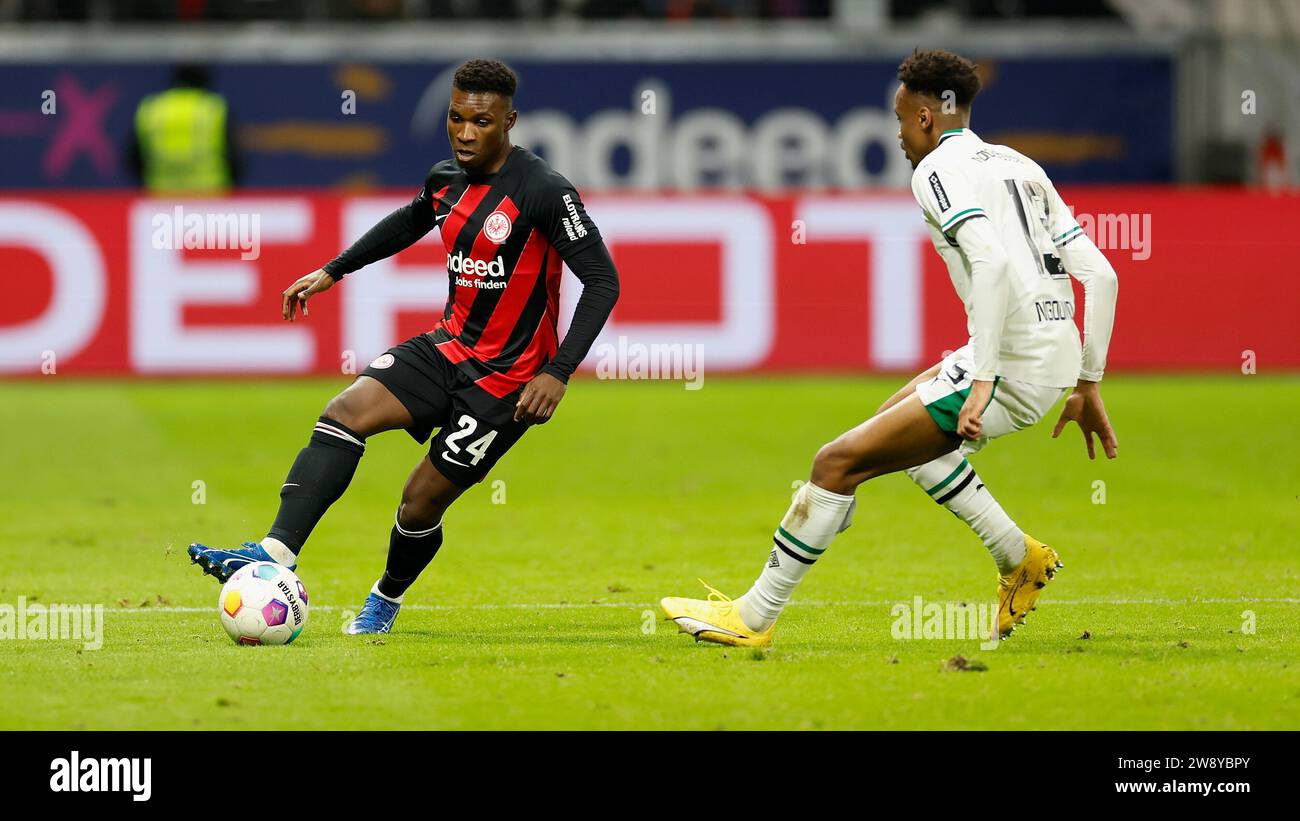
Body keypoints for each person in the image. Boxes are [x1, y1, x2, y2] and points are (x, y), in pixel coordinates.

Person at [660, 48, 1119, 646]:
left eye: (901, 121)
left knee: (835, 463)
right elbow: (1103, 275)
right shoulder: (1020, 165)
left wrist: (982, 380)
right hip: (1045, 356)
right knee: (892, 434)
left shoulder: (934, 173)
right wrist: (1088, 381)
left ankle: (753, 618)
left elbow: (992, 261)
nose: (900, 136)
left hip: (1008, 365)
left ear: (926, 118)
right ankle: (1018, 556)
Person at [188, 59, 620, 635]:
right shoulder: (446, 179)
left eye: (482, 122)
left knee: (419, 504)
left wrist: (559, 371)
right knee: (344, 413)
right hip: (446, 348)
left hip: (508, 383)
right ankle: (274, 553)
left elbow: (603, 281)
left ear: (509, 121)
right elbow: (409, 221)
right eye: (456, 118)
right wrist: (333, 270)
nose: (466, 133)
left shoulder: (543, 190)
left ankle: (386, 597)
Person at [125, 64, 240, 193]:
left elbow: (133, 158)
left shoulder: (152, 109)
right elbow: (234, 157)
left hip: (160, 198)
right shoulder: (214, 108)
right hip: (209, 197)